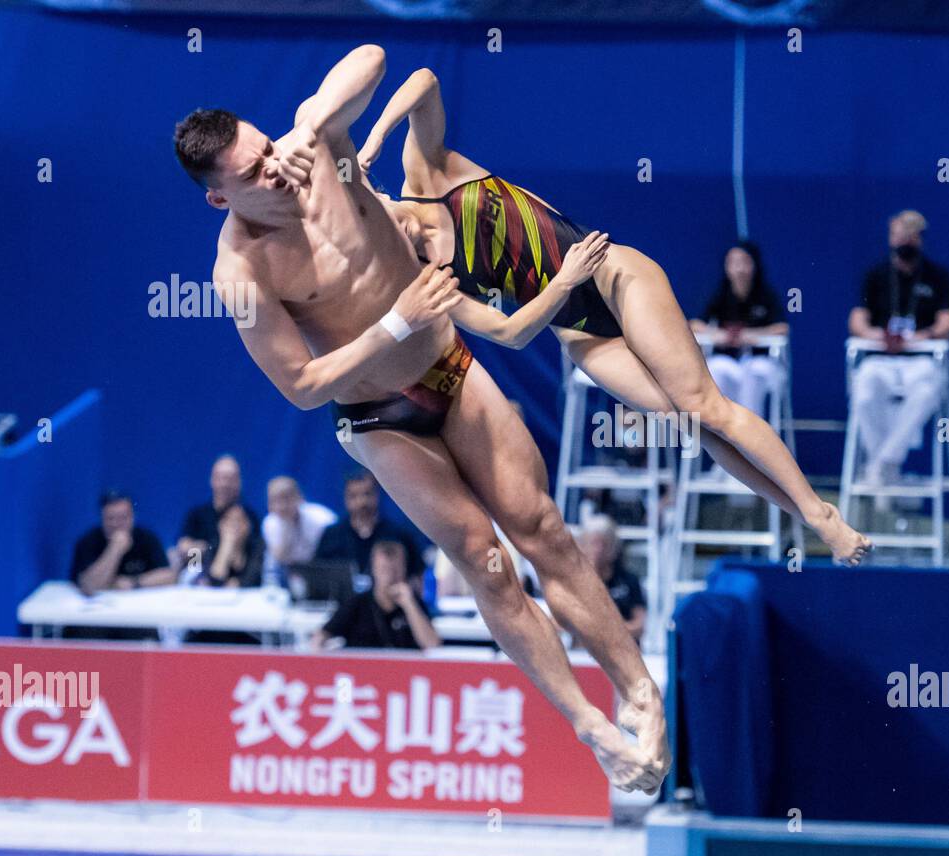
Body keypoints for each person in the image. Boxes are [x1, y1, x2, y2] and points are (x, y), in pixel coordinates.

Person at [173, 45, 667, 792]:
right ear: (220, 199)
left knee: (541, 530)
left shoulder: (319, 146)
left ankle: (639, 690)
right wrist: (393, 326)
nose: (274, 170)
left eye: (267, 150)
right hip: (378, 417)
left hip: (451, 368)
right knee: (488, 562)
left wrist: (311, 125)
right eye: (252, 174)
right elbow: (303, 386)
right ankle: (591, 727)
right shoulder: (239, 274)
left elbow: (374, 57)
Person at [358, 67, 870, 566]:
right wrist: (563, 282)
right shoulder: (432, 276)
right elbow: (509, 333)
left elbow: (425, 80)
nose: (396, 237)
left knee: (705, 405)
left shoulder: (427, 171)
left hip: (613, 275)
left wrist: (374, 138)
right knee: (691, 425)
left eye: (386, 223)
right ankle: (803, 515)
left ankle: (821, 514)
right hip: (578, 327)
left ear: (380, 196)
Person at [846, 210, 949, 490]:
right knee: (863, 390)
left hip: (919, 358)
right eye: (898, 235)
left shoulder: (938, 276)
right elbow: (857, 320)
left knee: (928, 390)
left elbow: (948, 322)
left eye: (910, 235)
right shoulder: (876, 275)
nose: (904, 241)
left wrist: (922, 336)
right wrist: (876, 335)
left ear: (920, 238)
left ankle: (883, 461)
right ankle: (885, 464)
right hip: (881, 357)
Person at [691, 241, 789, 418]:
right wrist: (717, 335)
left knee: (753, 374)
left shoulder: (766, 294)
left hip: (760, 361)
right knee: (715, 370)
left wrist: (751, 336)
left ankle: (751, 436)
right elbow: (694, 324)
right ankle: (718, 434)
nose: (739, 269)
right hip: (728, 361)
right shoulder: (719, 293)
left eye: (744, 262)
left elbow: (782, 327)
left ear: (754, 265)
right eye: (733, 262)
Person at [311, 540, 440, 651]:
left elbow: (431, 643)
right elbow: (322, 634)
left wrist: (409, 605)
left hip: (406, 674)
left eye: (395, 570)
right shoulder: (357, 603)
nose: (390, 577)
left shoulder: (414, 603)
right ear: (373, 569)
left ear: (405, 570)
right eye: (384, 570)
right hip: (362, 674)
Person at [314, 470, 424, 580]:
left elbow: (417, 576)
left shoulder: (398, 535)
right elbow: (317, 575)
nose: (362, 502)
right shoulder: (331, 536)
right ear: (345, 499)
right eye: (354, 496)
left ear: (377, 495)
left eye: (367, 494)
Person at [71, 491, 175, 596]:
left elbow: (168, 575)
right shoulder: (88, 541)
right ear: (102, 519)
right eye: (111, 519)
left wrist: (134, 582)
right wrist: (114, 550)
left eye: (123, 518)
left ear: (132, 517)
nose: (117, 524)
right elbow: (88, 586)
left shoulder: (146, 538)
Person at [176, 454, 260, 569]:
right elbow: (184, 548)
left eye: (231, 479)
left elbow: (255, 552)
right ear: (212, 480)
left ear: (239, 482)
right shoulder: (197, 514)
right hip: (199, 571)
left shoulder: (249, 516)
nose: (225, 484)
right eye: (221, 478)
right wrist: (209, 549)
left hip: (238, 574)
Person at [575, 515, 646, 645]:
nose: (598, 550)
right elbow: (558, 623)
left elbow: (640, 625)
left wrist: (611, 632)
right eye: (593, 543)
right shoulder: (574, 581)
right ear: (583, 546)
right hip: (584, 652)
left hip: (622, 647)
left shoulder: (629, 580)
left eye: (604, 543)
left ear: (613, 546)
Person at [261, 475, 337, 583]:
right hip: (289, 578)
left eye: (285, 499)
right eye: (274, 500)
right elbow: (279, 559)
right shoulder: (270, 523)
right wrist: (287, 528)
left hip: (322, 576)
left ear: (299, 497)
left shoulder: (323, 520)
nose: (281, 506)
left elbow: (333, 559)